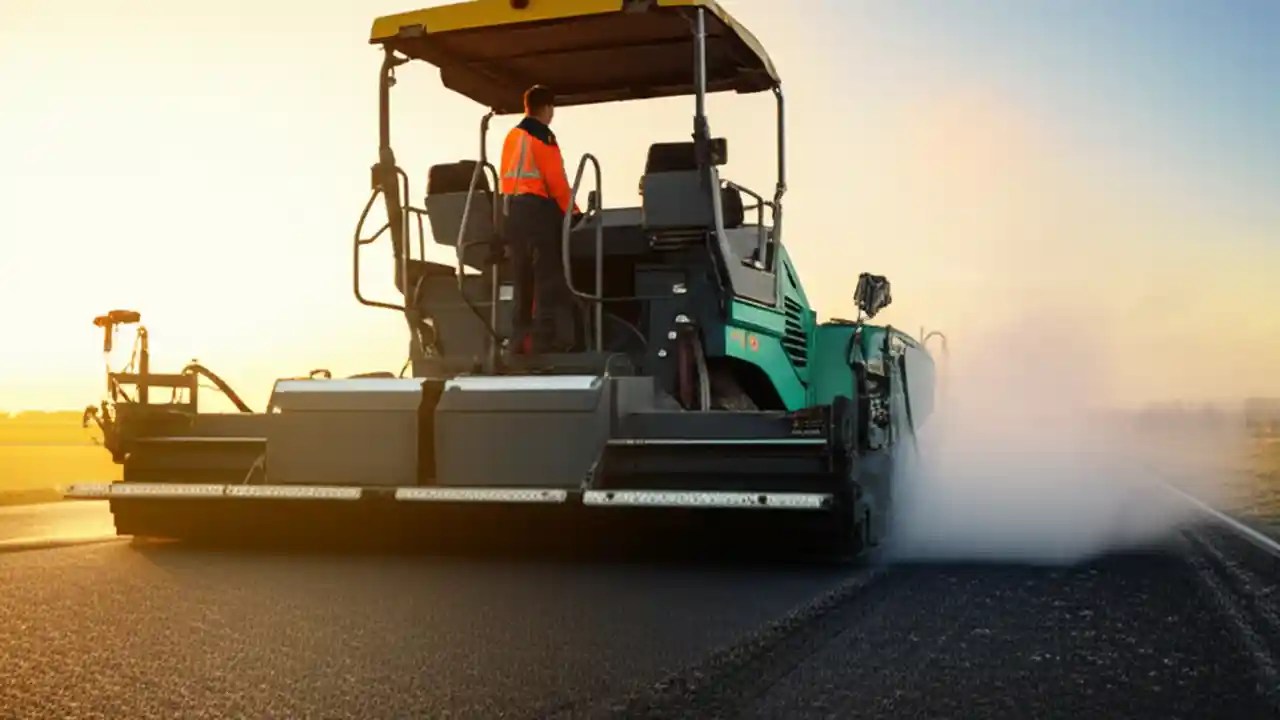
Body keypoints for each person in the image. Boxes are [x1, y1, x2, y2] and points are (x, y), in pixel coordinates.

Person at [497, 85, 581, 354]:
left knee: (523, 279)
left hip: (511, 213)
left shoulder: (512, 136)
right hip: (536, 213)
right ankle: (546, 340)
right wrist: (575, 213)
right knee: (547, 277)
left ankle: (519, 339)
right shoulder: (542, 137)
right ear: (547, 109)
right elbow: (556, 182)